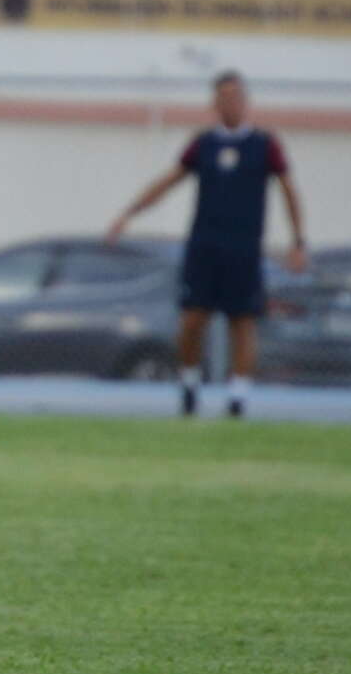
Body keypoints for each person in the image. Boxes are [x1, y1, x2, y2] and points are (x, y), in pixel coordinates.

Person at [103, 70, 307, 419]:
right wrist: (129, 214)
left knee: (242, 322)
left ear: (246, 101)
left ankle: (238, 397)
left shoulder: (264, 145)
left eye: (237, 97)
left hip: (244, 248)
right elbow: (168, 181)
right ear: (214, 103)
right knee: (192, 321)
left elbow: (289, 190)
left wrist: (298, 240)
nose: (231, 103)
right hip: (204, 246)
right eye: (224, 97)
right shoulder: (204, 144)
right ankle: (189, 387)